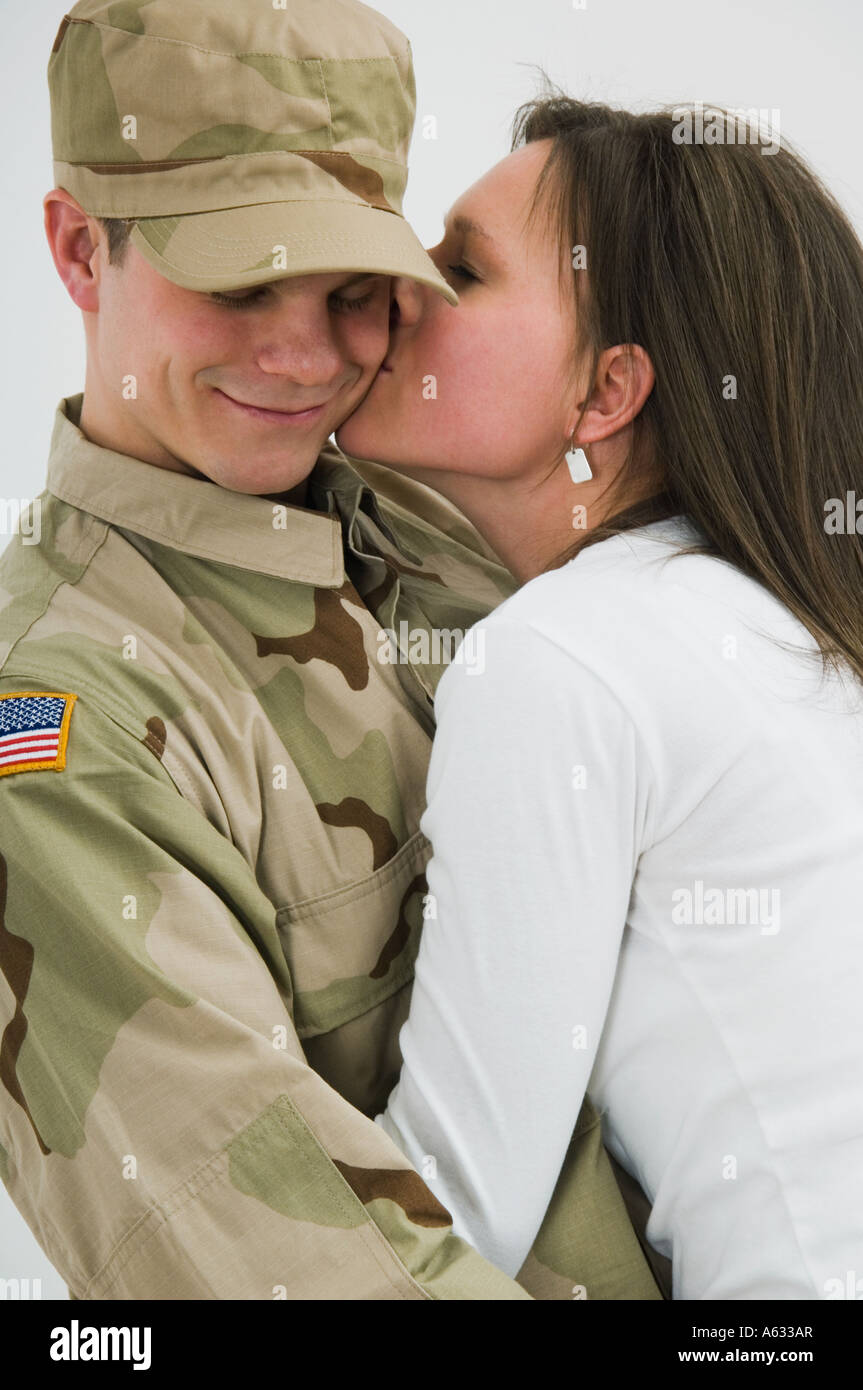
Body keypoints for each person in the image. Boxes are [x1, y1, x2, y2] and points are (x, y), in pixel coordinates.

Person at [0, 3, 661, 1300]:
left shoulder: (433, 505)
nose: (306, 355)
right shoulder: (63, 722)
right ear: (82, 248)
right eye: (238, 280)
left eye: (354, 287)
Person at [337, 94, 863, 1298]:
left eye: (458, 268)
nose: (389, 288)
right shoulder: (774, 633)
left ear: (604, 394)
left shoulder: (564, 657)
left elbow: (460, 1208)